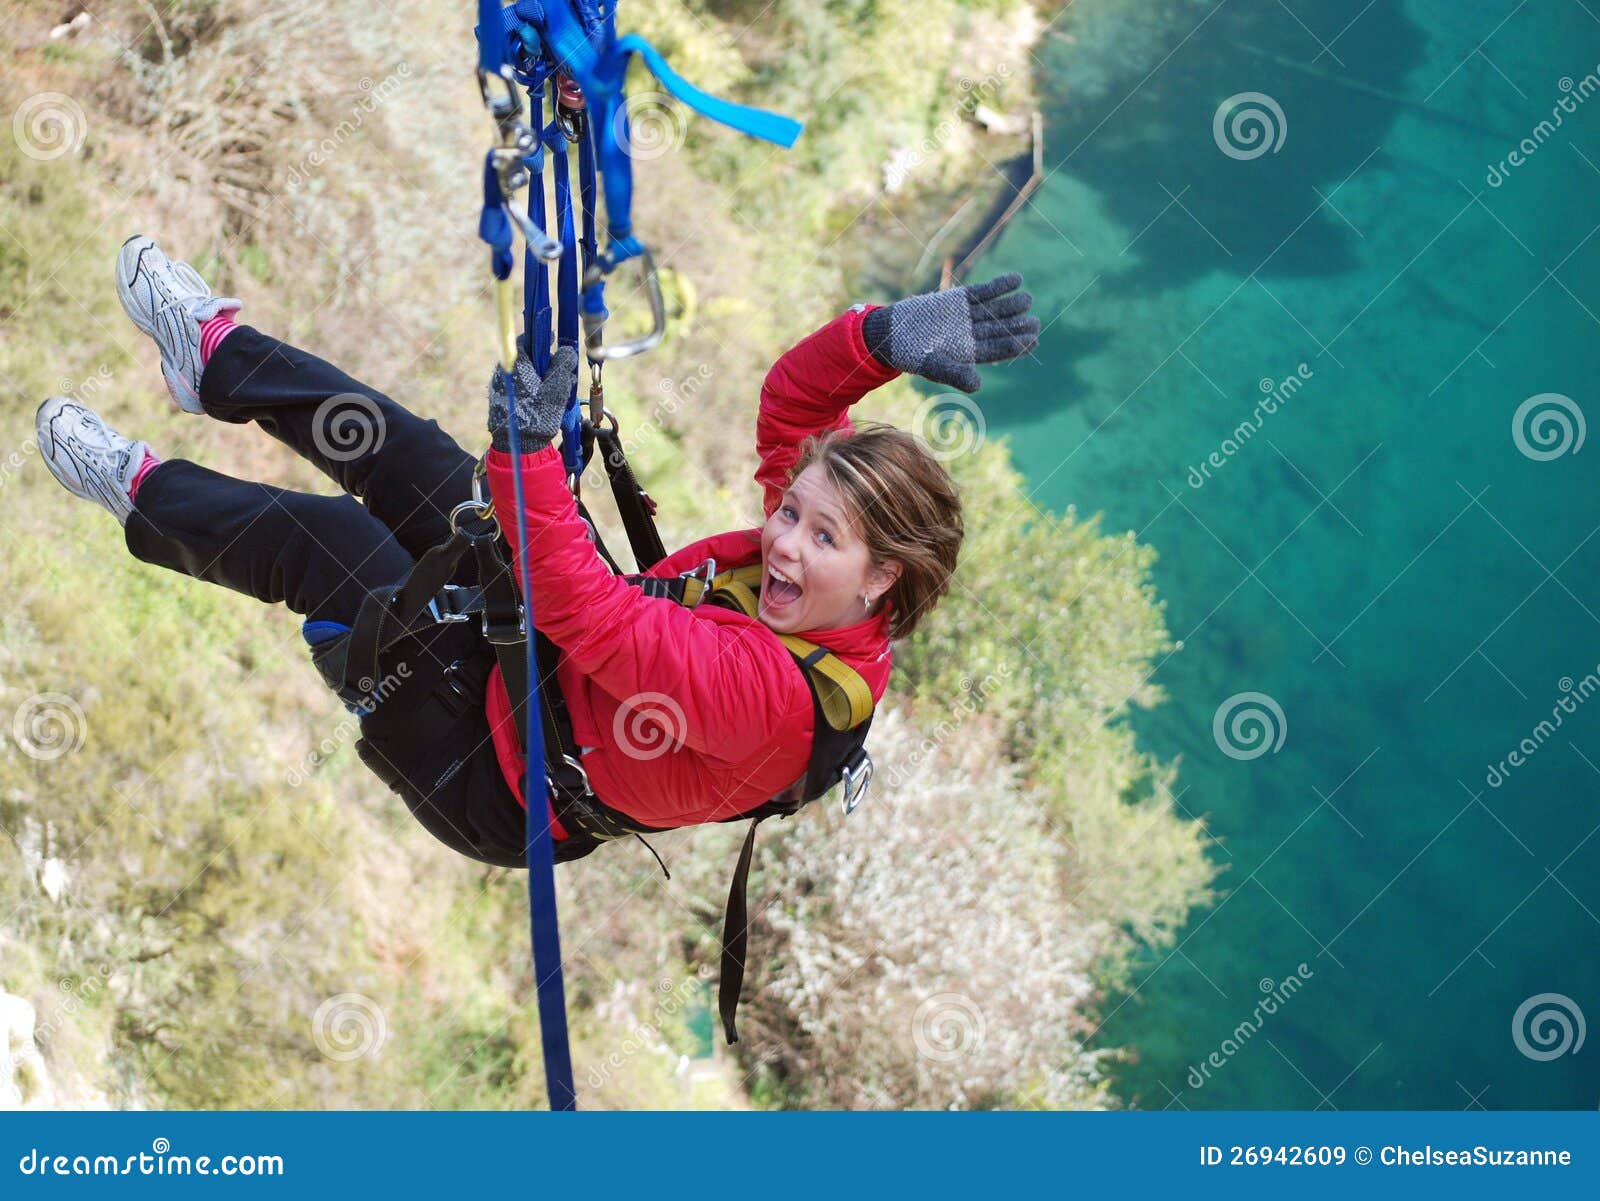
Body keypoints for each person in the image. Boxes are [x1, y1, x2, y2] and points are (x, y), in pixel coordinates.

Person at [36, 236, 1037, 869]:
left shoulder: (770, 695)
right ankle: (212, 356)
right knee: (410, 454)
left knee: (335, 548)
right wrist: (880, 338)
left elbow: (587, 613)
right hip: (553, 664)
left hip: (499, 773)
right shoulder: (818, 579)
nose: (783, 536)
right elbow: (794, 410)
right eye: (792, 513)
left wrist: (527, 459)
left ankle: (137, 487)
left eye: (820, 536)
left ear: (879, 579)